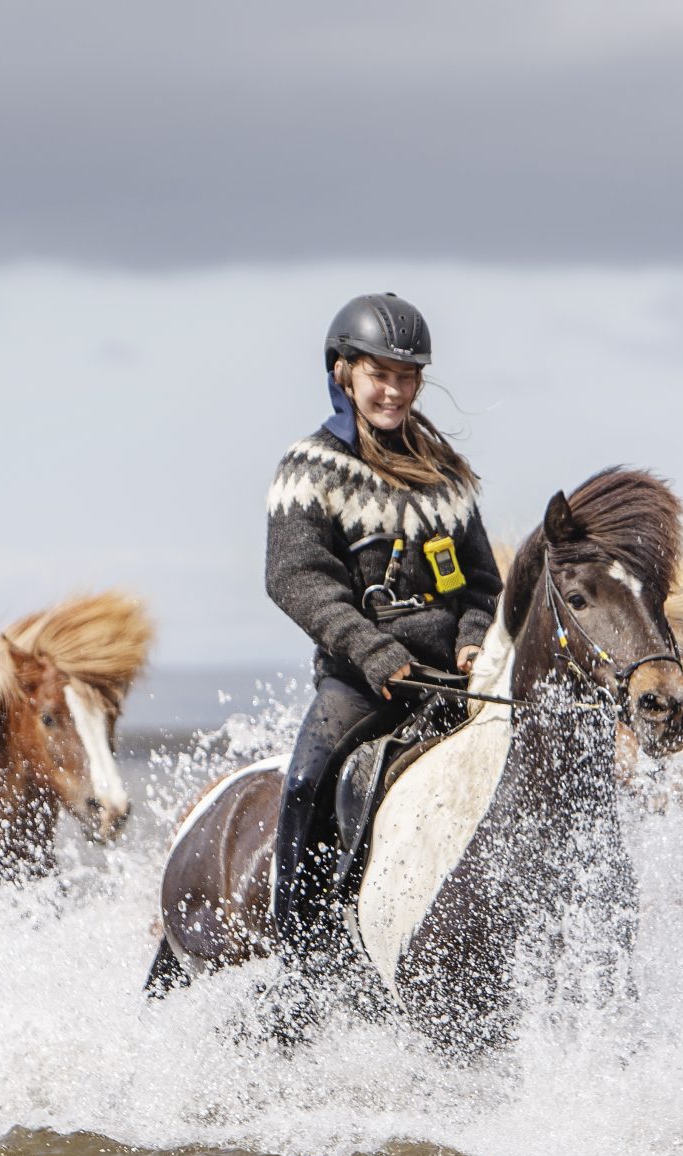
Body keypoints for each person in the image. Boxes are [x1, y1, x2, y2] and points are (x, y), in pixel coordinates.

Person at [264, 293, 503, 1007]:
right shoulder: (309, 467)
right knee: (307, 782)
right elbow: (295, 577)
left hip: (454, 683)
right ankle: (297, 962)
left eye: (407, 377)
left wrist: (470, 641)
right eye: (380, 375)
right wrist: (371, 651)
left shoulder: (450, 476)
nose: (395, 390)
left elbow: (485, 584)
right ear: (343, 373)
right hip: (362, 683)